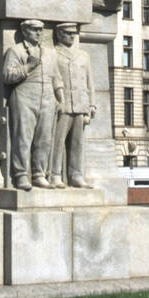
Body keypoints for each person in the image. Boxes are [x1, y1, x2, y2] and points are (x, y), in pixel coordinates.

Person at [2, 20, 63, 190]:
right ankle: (21, 175)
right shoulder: (16, 51)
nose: (39, 33)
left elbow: (56, 78)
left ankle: (39, 174)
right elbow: (7, 76)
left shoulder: (50, 53)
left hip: (48, 97)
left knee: (44, 138)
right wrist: (28, 66)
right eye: (34, 29)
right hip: (25, 95)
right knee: (23, 137)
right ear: (24, 31)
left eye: (40, 30)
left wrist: (61, 99)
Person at [49, 22, 96, 188]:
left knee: (77, 143)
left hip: (80, 104)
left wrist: (92, 105)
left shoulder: (83, 56)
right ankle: (55, 174)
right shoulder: (53, 53)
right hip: (63, 105)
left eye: (74, 33)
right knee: (57, 141)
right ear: (59, 34)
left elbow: (90, 82)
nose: (72, 36)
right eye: (68, 33)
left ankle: (76, 174)